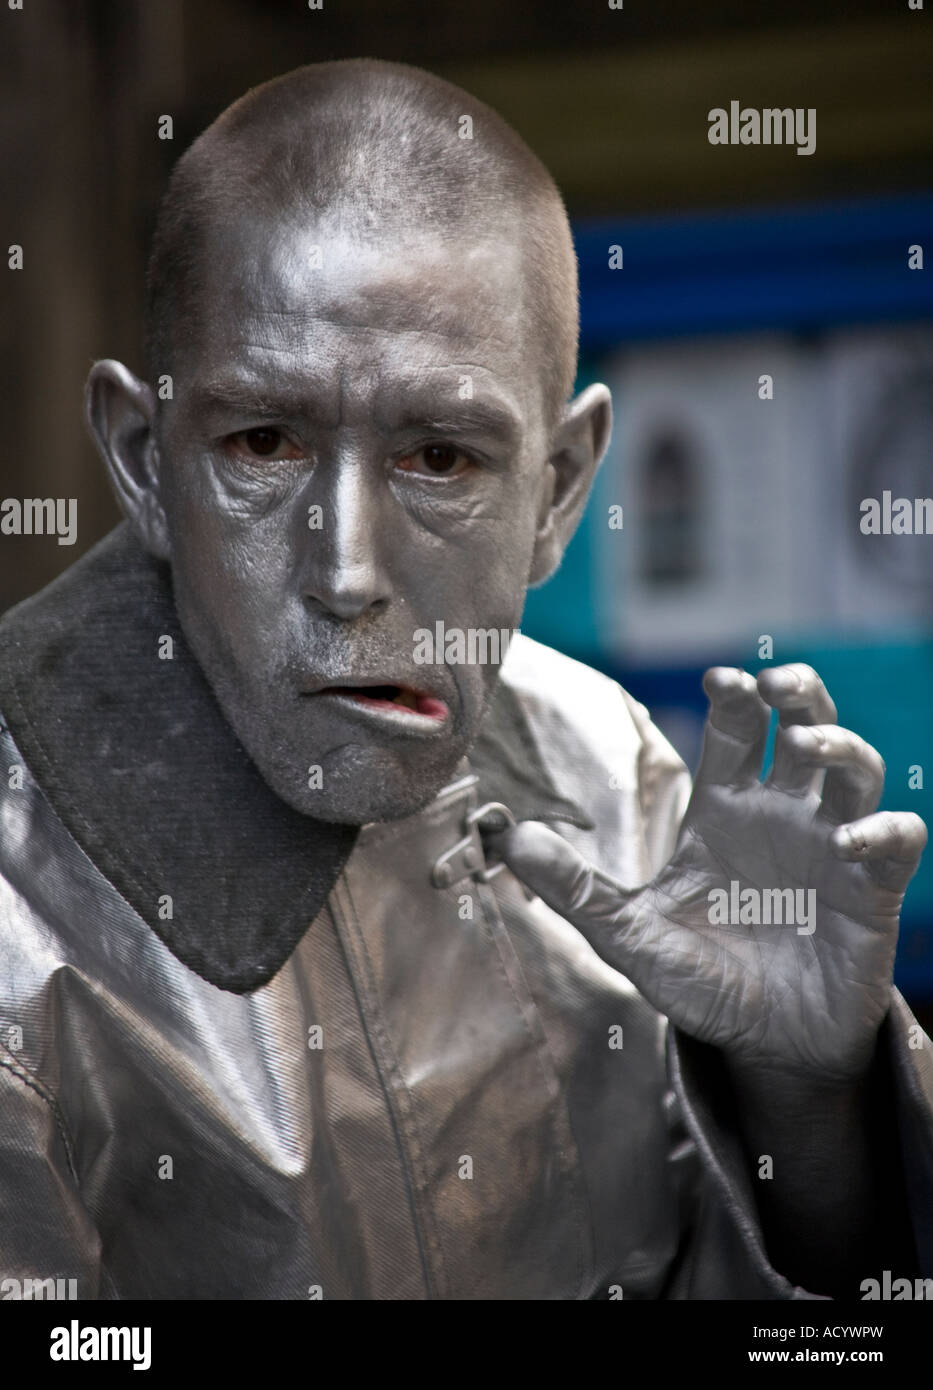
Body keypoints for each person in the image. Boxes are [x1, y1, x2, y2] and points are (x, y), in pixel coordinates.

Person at [0, 58, 930, 1301]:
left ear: (557, 490)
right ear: (142, 460)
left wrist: (808, 1103)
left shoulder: (608, 765)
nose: (345, 569)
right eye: (262, 444)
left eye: (439, 456)